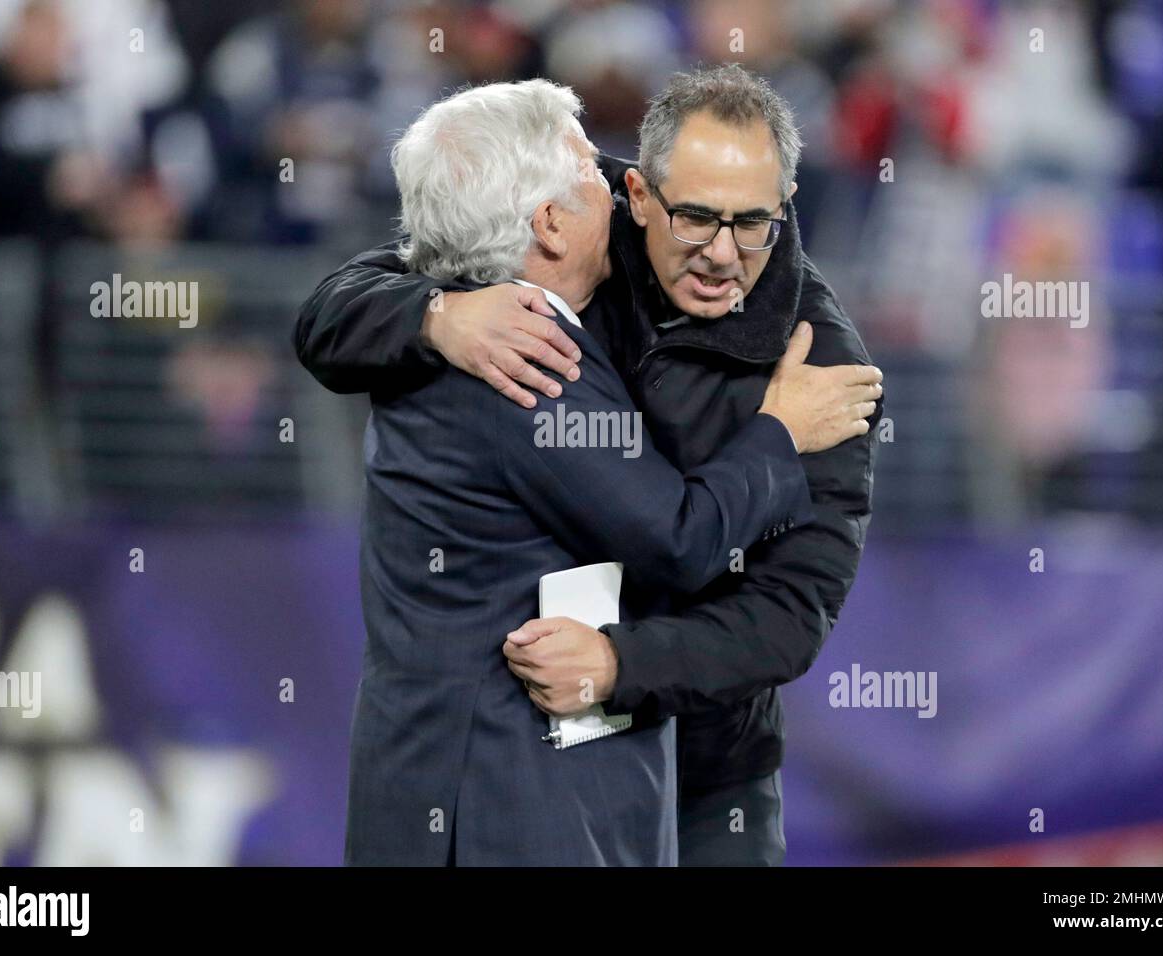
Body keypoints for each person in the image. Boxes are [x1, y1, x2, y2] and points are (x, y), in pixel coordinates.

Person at [294, 64, 882, 865]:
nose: (721, 253)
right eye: (697, 218)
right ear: (636, 196)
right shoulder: (532, 271)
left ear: (782, 210)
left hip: (711, 769)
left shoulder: (818, 374)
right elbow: (330, 310)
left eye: (752, 224)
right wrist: (437, 314)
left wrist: (621, 664)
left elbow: (791, 613)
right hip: (545, 771)